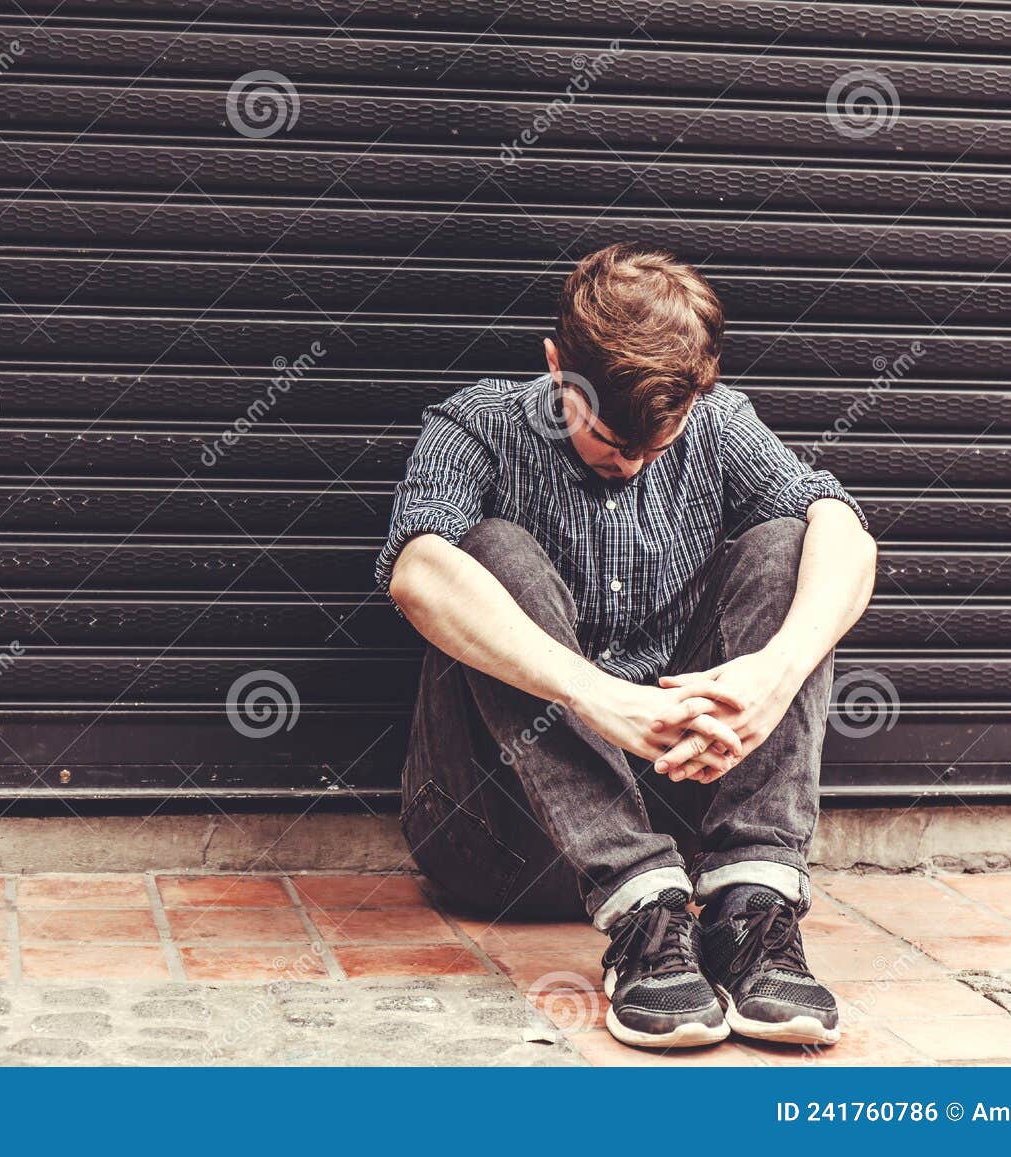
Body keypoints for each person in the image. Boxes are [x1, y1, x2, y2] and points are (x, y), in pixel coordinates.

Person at [375, 243, 877, 1049]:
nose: (632, 463)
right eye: (610, 438)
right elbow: (415, 572)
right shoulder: (476, 424)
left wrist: (774, 677)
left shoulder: (720, 424)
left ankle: (750, 911)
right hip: (499, 840)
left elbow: (849, 537)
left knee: (795, 543)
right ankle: (639, 914)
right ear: (556, 367)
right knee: (487, 554)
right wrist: (597, 697)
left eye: (658, 445)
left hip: (682, 836)